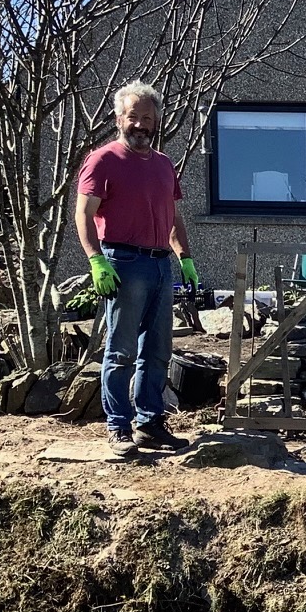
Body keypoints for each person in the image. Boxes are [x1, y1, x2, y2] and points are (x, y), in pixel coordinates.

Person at [75, 80, 200, 454]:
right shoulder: (103, 160)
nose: (141, 124)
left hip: (161, 265)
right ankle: (118, 428)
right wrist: (96, 260)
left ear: (157, 120)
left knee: (159, 350)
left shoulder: (164, 164)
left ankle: (150, 423)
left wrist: (186, 258)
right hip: (123, 263)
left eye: (148, 117)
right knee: (121, 351)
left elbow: (173, 215)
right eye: (134, 117)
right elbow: (83, 214)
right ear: (119, 118)